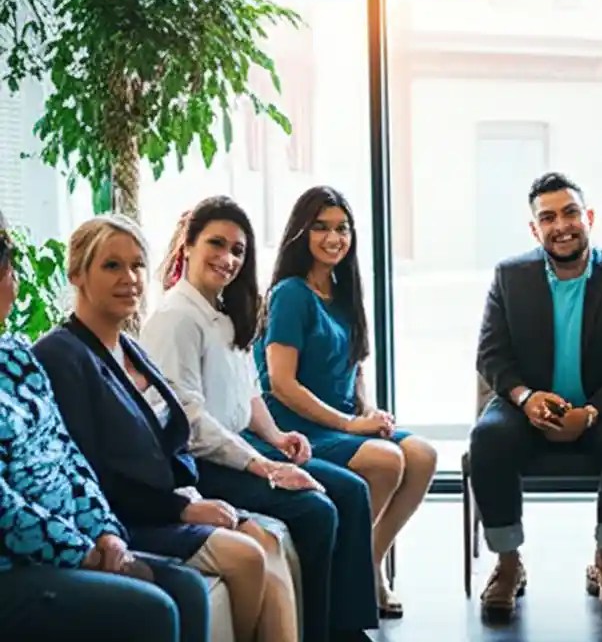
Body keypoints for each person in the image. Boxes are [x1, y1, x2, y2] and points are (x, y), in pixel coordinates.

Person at [32, 214, 295, 642]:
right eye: (112, 265)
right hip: (125, 518)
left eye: (137, 265)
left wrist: (191, 497)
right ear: (77, 273)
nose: (130, 278)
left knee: (268, 544)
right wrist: (180, 510)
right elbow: (88, 474)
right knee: (247, 557)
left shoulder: (129, 347)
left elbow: (171, 438)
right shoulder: (60, 355)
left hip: (168, 500)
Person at [143, 196, 381, 641]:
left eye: (238, 250)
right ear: (188, 245)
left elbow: (249, 391)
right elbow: (189, 422)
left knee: (351, 491)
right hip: (202, 465)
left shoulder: (223, 312)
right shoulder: (176, 318)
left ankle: (346, 629)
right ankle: (318, 634)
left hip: (239, 449)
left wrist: (277, 436)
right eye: (216, 244)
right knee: (314, 510)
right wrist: (263, 465)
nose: (228, 258)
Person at [0, 216, 210, 642]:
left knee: (188, 590)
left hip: (75, 540)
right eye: (8, 270)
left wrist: (106, 532)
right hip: (15, 564)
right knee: (151, 609)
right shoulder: (59, 352)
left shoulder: (17, 355)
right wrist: (83, 551)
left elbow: (69, 457)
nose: (14, 281)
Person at [471, 172, 602, 623]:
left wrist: (591, 412)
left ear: (588, 216)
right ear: (535, 229)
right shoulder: (510, 276)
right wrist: (526, 398)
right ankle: (508, 564)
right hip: (527, 408)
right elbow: (491, 354)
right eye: (548, 217)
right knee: (488, 438)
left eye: (571, 212)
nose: (561, 225)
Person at [253, 185, 436, 619]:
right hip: (295, 427)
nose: (333, 238)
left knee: (422, 454)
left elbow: (354, 369)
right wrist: (350, 425)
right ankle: (352, 570)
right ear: (301, 232)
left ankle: (368, 560)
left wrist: (368, 412)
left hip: (340, 422)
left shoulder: (344, 291)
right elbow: (281, 383)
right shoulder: (291, 294)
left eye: (342, 228)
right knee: (386, 461)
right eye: (321, 227)